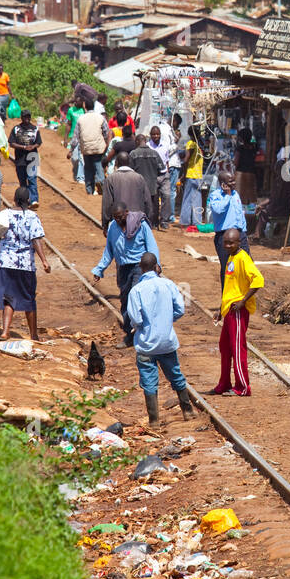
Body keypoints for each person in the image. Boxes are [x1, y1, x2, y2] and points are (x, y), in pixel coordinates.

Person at [126, 251, 196, 424]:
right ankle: (187, 411)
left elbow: (135, 318)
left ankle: (154, 420)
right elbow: (179, 309)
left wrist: (139, 327)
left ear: (141, 268)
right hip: (167, 342)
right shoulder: (168, 284)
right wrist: (166, 320)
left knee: (149, 382)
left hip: (146, 344)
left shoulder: (136, 291)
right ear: (157, 267)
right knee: (176, 375)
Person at [92, 200, 159, 347]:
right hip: (122, 267)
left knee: (136, 297)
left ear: (126, 213)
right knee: (125, 300)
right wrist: (99, 269)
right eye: (115, 217)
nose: (118, 220)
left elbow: (151, 245)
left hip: (139, 267)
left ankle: (144, 333)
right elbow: (109, 251)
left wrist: (156, 264)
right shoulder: (112, 227)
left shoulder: (140, 225)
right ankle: (129, 333)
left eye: (120, 216)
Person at [211, 227, 264, 396]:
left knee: (237, 347)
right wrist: (221, 309)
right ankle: (224, 383)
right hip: (229, 309)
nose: (227, 245)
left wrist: (243, 301)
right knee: (224, 346)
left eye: (230, 243)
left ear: (238, 242)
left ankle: (243, 387)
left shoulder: (243, 258)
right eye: (225, 242)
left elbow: (258, 279)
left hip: (237, 310)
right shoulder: (230, 258)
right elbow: (229, 287)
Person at [0, 186, 51, 341]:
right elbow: (36, 239)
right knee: (29, 298)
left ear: (14, 199)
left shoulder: (4, 214)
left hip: (5, 262)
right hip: (25, 264)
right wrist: (44, 261)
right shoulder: (32, 217)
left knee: (8, 297)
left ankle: (5, 331)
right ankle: (33, 334)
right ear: (27, 201)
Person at [209, 171, 249, 285]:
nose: (234, 183)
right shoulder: (215, 195)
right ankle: (226, 298)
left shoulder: (236, 194)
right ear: (223, 183)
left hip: (239, 235)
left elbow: (240, 215)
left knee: (245, 264)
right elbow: (218, 210)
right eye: (231, 181)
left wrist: (244, 233)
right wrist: (227, 195)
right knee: (227, 267)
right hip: (224, 237)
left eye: (234, 180)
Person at [102, 151, 155, 229]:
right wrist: (149, 220)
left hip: (119, 222)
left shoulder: (111, 179)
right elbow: (147, 201)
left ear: (116, 163)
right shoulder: (139, 178)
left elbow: (107, 203)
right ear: (129, 162)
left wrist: (105, 224)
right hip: (137, 222)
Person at [129, 134, 167, 224]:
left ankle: (139, 222)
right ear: (145, 141)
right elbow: (162, 169)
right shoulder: (154, 153)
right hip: (153, 186)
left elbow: (129, 170)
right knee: (153, 205)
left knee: (139, 206)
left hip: (138, 187)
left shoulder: (133, 154)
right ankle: (153, 223)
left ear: (137, 141)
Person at [7, 112, 42, 208]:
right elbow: (11, 143)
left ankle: (34, 200)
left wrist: (33, 146)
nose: (27, 118)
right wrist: (23, 147)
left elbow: (39, 142)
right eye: (25, 117)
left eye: (28, 117)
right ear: (21, 118)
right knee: (22, 181)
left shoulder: (35, 129)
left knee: (32, 179)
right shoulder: (16, 129)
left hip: (32, 158)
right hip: (20, 159)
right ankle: (24, 200)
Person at [75, 105, 112, 195]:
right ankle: (102, 184)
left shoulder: (81, 118)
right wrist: (106, 144)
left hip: (86, 148)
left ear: (85, 107)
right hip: (98, 147)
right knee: (98, 166)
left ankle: (89, 190)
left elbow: (76, 136)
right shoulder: (101, 118)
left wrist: (71, 149)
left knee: (88, 168)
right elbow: (106, 133)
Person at [150, 125, 177, 228]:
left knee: (167, 196)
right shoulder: (148, 146)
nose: (156, 136)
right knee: (154, 199)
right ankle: (154, 220)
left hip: (164, 174)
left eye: (157, 134)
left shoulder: (165, 145)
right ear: (150, 135)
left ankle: (164, 220)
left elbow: (166, 160)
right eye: (154, 134)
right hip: (153, 176)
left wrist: (168, 172)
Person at [180, 137, 205, 227]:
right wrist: (184, 173)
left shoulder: (195, 144)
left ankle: (189, 221)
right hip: (193, 175)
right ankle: (192, 221)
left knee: (191, 199)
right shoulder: (193, 144)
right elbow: (186, 159)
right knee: (193, 199)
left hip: (195, 175)